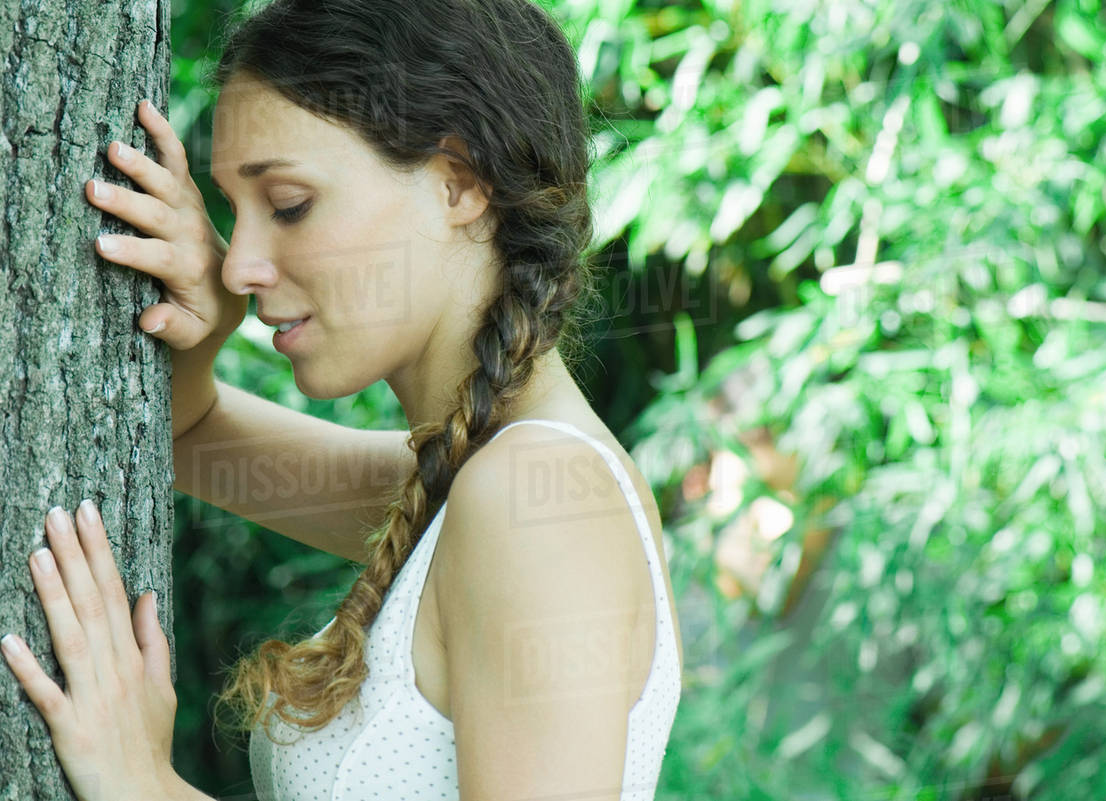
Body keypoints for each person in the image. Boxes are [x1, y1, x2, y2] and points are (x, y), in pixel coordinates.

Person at [1, 1, 683, 799]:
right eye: (234, 213)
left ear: (458, 182)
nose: (239, 264)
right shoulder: (474, 481)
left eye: (288, 204)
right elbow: (187, 442)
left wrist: (146, 785)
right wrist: (206, 332)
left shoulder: (538, 504)